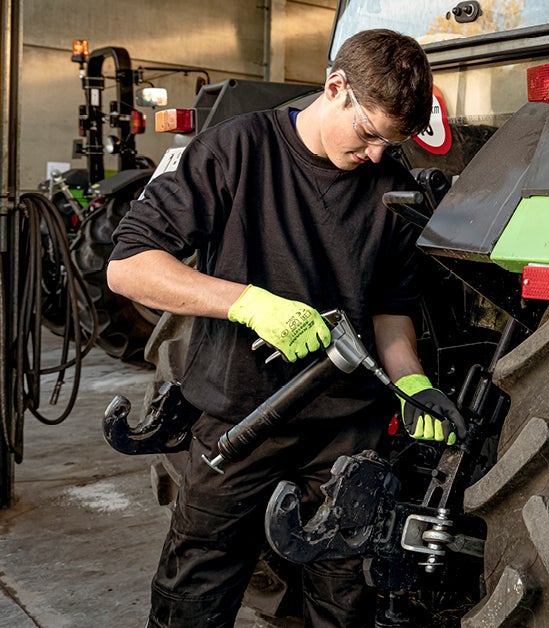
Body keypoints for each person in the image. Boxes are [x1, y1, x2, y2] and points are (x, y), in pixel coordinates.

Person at [107, 29, 466, 627]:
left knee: (345, 606)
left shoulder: (390, 181)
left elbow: (390, 310)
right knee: (194, 594)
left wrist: (412, 382)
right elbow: (128, 267)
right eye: (370, 133)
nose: (377, 154)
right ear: (335, 87)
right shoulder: (236, 149)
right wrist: (249, 303)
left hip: (348, 438)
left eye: (393, 142)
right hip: (240, 423)